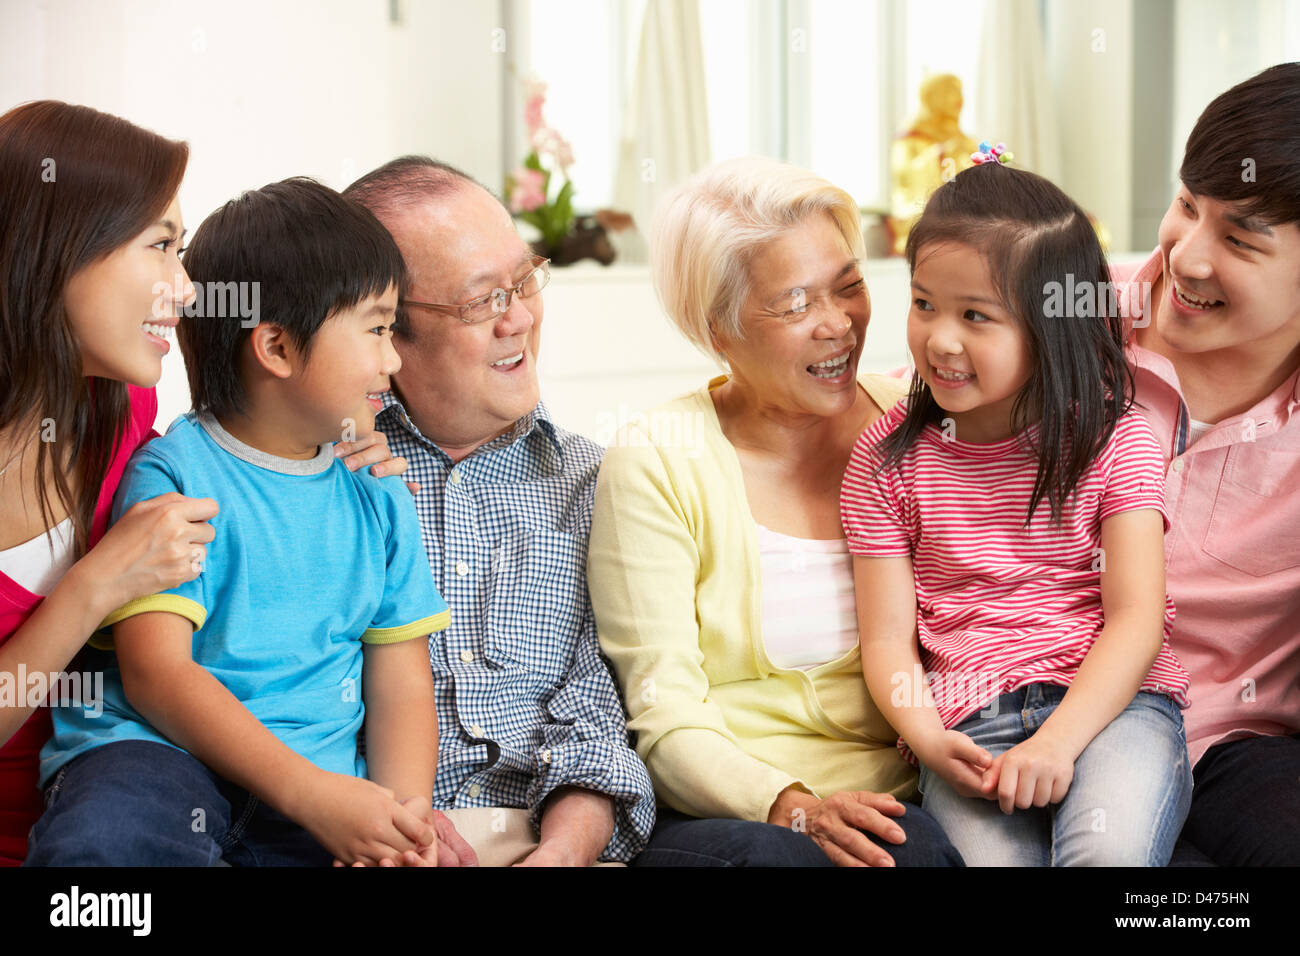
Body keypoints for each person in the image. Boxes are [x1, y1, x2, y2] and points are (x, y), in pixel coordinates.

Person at [0, 101, 404, 866]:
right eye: (160, 246)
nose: (186, 290)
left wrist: (346, 427)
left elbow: (255, 436)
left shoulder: (120, 410)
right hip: (86, 823)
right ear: (56, 249)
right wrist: (92, 586)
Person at [587, 157, 964, 866]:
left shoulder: (922, 424)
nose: (837, 325)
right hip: (731, 810)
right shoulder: (658, 459)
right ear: (718, 329)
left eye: (848, 286)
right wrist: (796, 808)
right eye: (794, 305)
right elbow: (665, 716)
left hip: (907, 798)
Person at [844, 161, 1192, 866]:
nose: (941, 339)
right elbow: (887, 642)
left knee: (1107, 857)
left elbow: (1137, 618)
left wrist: (1059, 741)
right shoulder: (884, 461)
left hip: (1111, 711)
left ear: (1050, 327)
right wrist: (928, 738)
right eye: (923, 304)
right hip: (968, 724)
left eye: (976, 315)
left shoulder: (1115, 439)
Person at [342, 157, 655, 867]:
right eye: (483, 300)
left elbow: (597, 717)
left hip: (548, 838)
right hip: (373, 838)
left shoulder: (592, 482)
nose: (519, 318)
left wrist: (564, 854)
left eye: (523, 282)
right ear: (385, 332)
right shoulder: (332, 476)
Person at [1112, 63, 1300, 867]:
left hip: (1237, 743)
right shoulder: (1058, 324)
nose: (1186, 258)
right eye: (1187, 205)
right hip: (1044, 717)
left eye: (1237, 239)